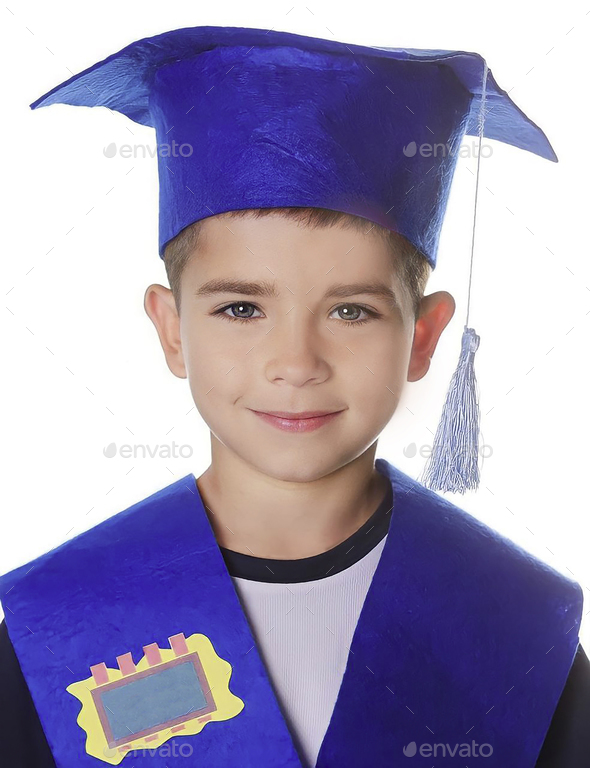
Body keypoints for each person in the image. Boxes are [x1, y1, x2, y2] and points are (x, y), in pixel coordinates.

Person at [0, 25, 587, 768]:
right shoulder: (62, 626)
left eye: (352, 312)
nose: (296, 363)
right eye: (242, 308)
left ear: (424, 337)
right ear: (172, 330)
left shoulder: (513, 629)